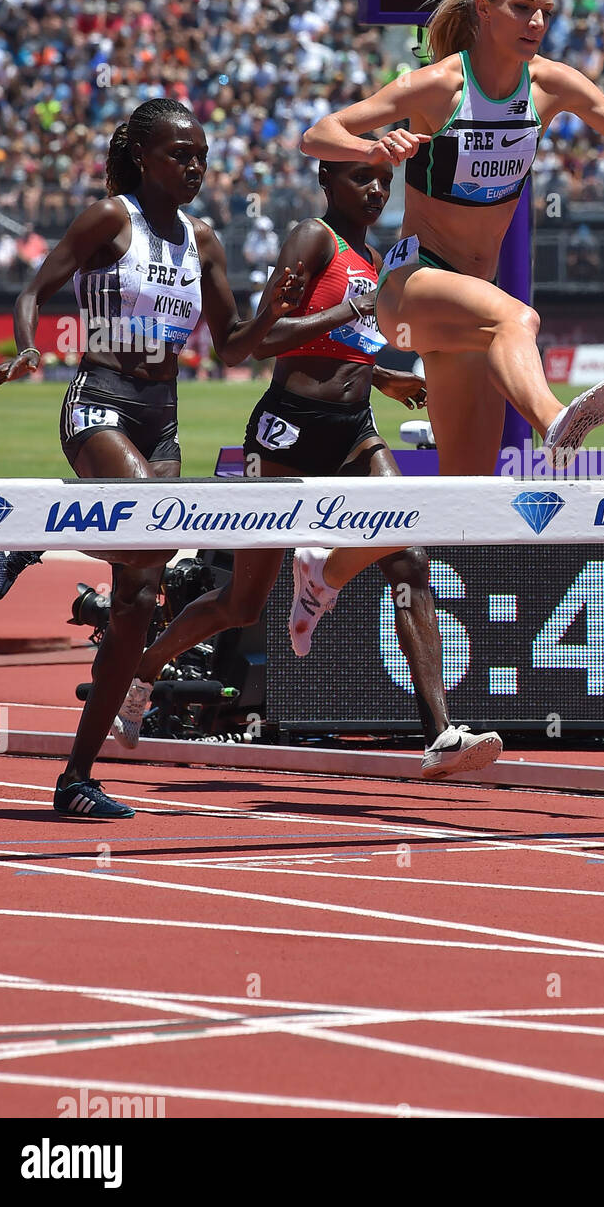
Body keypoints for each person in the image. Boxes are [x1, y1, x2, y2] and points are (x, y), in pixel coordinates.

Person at [295, 0, 604, 644]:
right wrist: (373, 147)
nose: (537, 22)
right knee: (520, 316)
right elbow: (317, 134)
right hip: (413, 287)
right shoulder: (437, 86)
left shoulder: (551, 86)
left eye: (546, 11)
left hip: (466, 308)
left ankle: (323, 575)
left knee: (461, 494)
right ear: (483, 10)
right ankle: (553, 426)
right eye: (522, 9)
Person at [111, 157, 504, 781]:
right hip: (288, 432)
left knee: (406, 554)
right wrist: (354, 310)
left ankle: (440, 733)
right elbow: (263, 337)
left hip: (354, 432)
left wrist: (382, 375)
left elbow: (338, 342)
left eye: (383, 180)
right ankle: (141, 672)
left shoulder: (374, 254)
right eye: (359, 178)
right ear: (328, 182)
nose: (376, 190)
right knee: (242, 604)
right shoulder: (311, 237)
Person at [0, 97, 304, 818]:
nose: (195, 168)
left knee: (136, 600)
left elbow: (234, 346)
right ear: (144, 158)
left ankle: (76, 780)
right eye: (180, 156)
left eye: (202, 157)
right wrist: (30, 348)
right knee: (148, 536)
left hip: (162, 419)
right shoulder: (108, 220)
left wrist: (277, 312)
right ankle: (33, 533)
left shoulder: (205, 240)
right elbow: (34, 290)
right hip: (100, 401)